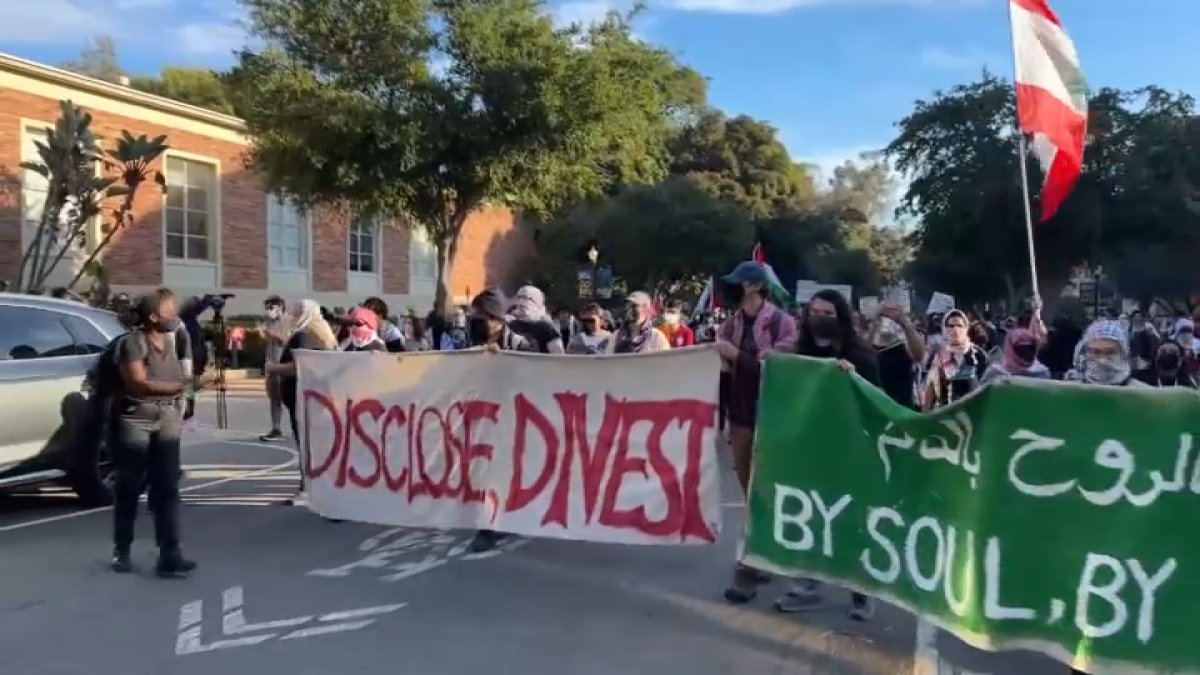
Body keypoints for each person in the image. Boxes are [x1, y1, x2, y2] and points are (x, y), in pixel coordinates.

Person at [775, 289, 878, 620]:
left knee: (849, 518)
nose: (819, 318)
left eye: (828, 313)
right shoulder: (800, 352)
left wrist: (851, 379)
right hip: (809, 448)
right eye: (814, 311)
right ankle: (807, 587)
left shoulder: (860, 355)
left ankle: (861, 590)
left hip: (850, 450)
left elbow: (874, 400)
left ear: (841, 318)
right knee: (809, 515)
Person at [717, 260, 798, 604]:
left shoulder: (783, 323)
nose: (731, 289)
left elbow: (780, 370)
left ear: (753, 286)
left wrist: (737, 356)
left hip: (771, 415)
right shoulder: (730, 324)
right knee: (751, 491)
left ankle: (748, 565)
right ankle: (762, 555)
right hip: (739, 414)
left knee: (763, 489)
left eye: (738, 284)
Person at [108, 289, 194, 577]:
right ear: (154, 317)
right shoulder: (132, 344)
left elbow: (178, 378)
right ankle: (122, 550)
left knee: (167, 487)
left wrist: (181, 393)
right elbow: (138, 383)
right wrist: (179, 387)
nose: (175, 315)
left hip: (167, 418)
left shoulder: (170, 342)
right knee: (129, 486)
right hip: (135, 419)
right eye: (170, 310)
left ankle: (170, 554)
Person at [465, 288, 535, 553]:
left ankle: (497, 523)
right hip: (482, 420)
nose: (475, 323)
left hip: (514, 420)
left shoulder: (521, 345)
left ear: (496, 319)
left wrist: (503, 362)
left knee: (506, 473)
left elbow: (534, 378)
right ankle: (489, 524)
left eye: (481, 318)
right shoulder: (471, 346)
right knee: (485, 472)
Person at [265, 299, 339, 504]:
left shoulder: (304, 336)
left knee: (306, 444)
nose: (292, 314)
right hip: (311, 398)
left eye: (297, 311)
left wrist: (273, 368)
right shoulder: (320, 334)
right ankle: (315, 487)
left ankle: (307, 489)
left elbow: (298, 365)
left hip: (303, 398)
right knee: (313, 444)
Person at [919, 309, 989, 410]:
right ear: (944, 328)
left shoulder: (979, 355)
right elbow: (929, 389)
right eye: (950, 326)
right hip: (944, 414)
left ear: (966, 328)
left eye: (959, 326)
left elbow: (987, 386)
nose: (955, 329)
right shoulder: (936, 356)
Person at [869, 304, 925, 409]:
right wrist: (875, 322)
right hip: (876, 405)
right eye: (884, 316)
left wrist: (904, 323)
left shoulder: (904, 344)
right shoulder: (871, 343)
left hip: (902, 405)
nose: (888, 320)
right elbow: (864, 351)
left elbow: (919, 355)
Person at [1065, 319, 1148, 387]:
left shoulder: (1141, 393)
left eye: (1110, 352)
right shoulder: (1072, 391)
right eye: (1096, 352)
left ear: (1123, 355)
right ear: (1085, 354)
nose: (1102, 359)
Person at [259, 296, 289, 442]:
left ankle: (300, 428)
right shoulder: (268, 322)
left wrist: (274, 335)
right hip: (271, 364)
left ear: (280, 307)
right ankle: (276, 428)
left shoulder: (287, 321)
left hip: (284, 365)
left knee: (289, 398)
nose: (268, 311)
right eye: (267, 308)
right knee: (274, 398)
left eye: (271, 308)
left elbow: (287, 340)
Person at [980, 327, 1051, 385]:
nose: (1027, 353)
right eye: (1021, 349)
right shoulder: (995, 373)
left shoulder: (1042, 373)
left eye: (1030, 348)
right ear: (1010, 348)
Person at [508, 285, 565, 354]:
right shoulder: (510, 325)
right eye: (520, 298)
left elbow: (558, 355)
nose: (522, 303)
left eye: (528, 299)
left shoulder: (547, 329)